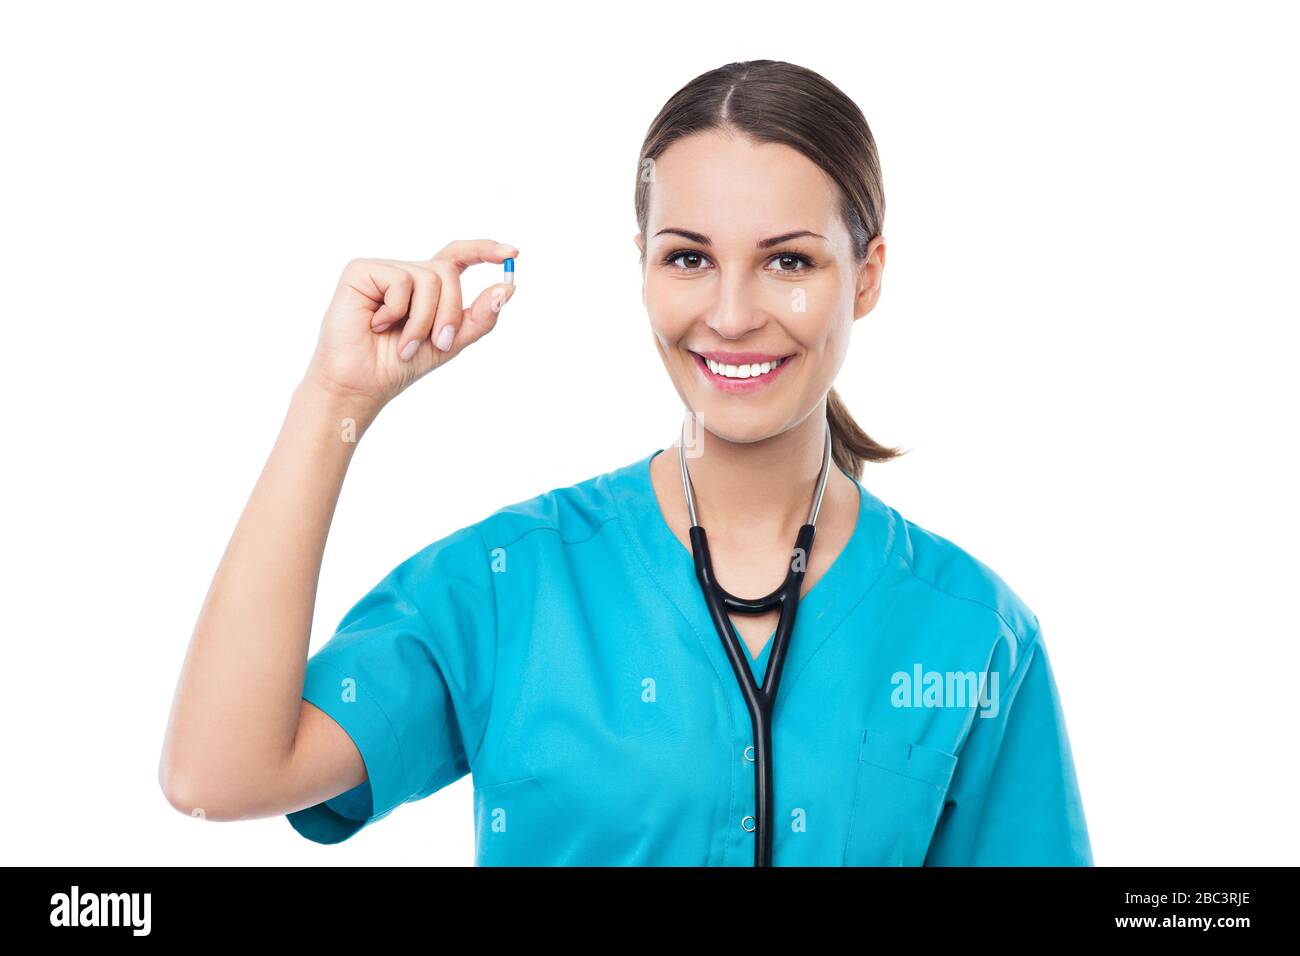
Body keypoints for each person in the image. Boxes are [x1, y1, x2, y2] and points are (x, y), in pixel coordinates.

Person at [159, 59, 1093, 866]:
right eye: (688, 259)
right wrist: (335, 401)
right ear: (642, 262)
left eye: (789, 263)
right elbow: (215, 775)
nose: (730, 314)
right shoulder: (511, 583)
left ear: (870, 273)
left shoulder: (974, 634)